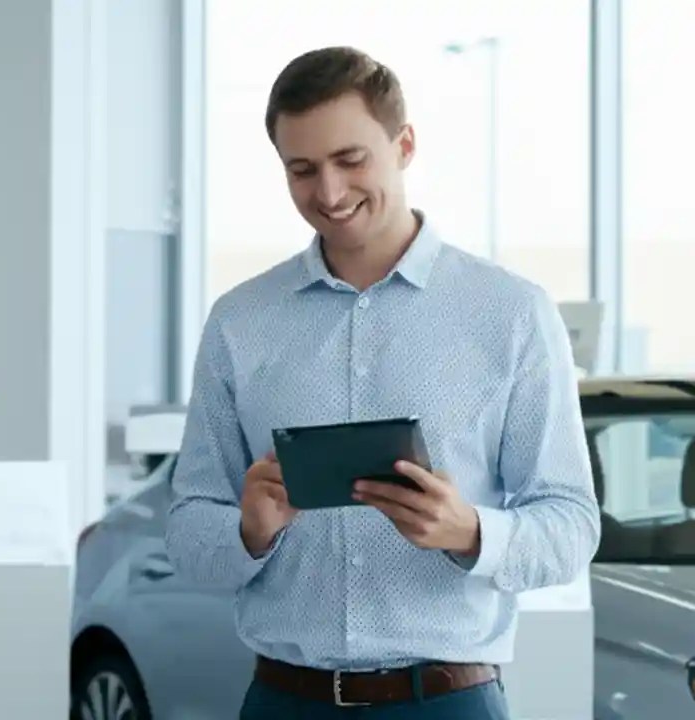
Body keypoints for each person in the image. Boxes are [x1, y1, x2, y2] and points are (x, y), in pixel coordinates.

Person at [164, 45, 601, 720]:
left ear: (404, 145)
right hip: (283, 700)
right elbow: (190, 524)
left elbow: (571, 524)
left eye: (350, 160)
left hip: (447, 701)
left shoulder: (510, 312)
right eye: (301, 169)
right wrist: (248, 532)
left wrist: (470, 531)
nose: (329, 194)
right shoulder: (239, 322)